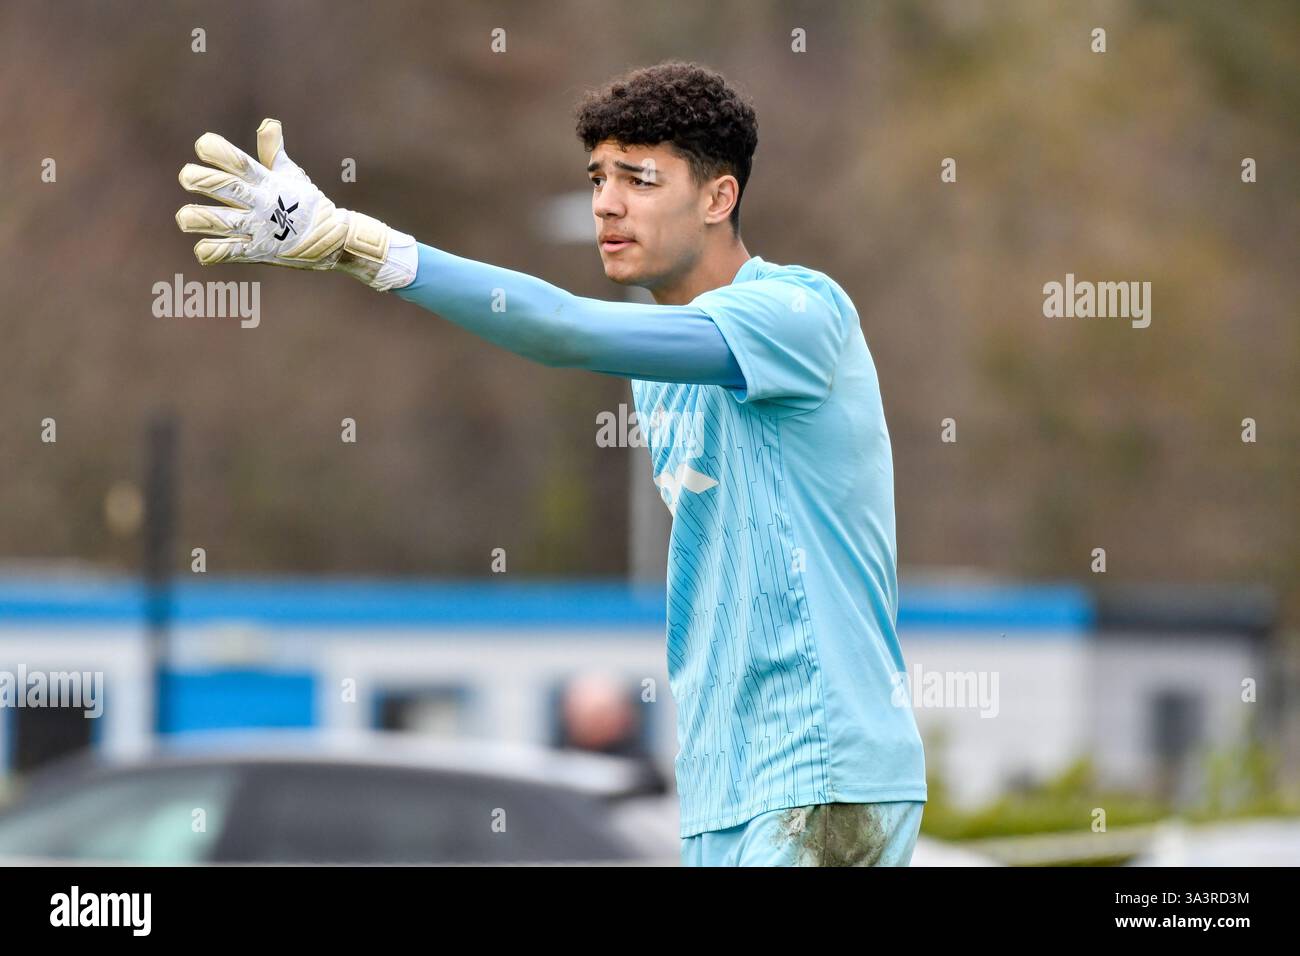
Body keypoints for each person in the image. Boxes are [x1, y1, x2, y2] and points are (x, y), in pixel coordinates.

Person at [174, 60, 927, 866]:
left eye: (639, 178)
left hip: (821, 770)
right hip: (727, 784)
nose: (607, 202)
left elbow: (565, 330)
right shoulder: (661, 366)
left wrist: (367, 246)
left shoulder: (800, 311)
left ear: (719, 197)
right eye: (598, 177)